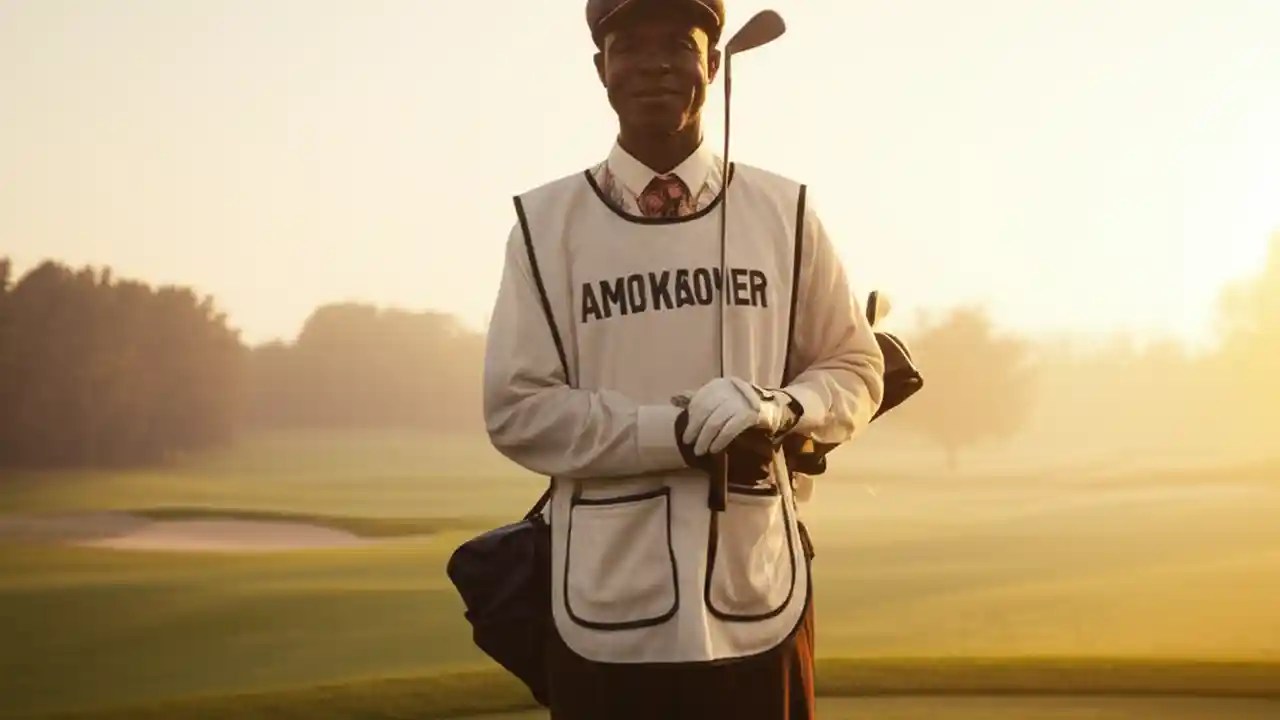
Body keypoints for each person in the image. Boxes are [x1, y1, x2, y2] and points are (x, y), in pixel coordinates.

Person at [481, 0, 885, 716]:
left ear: (715, 63)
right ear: (601, 69)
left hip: (758, 583)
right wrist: (675, 433)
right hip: (603, 598)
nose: (657, 64)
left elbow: (853, 368)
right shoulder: (543, 226)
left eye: (682, 43)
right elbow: (519, 411)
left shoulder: (784, 210)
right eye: (631, 46)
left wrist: (782, 406)